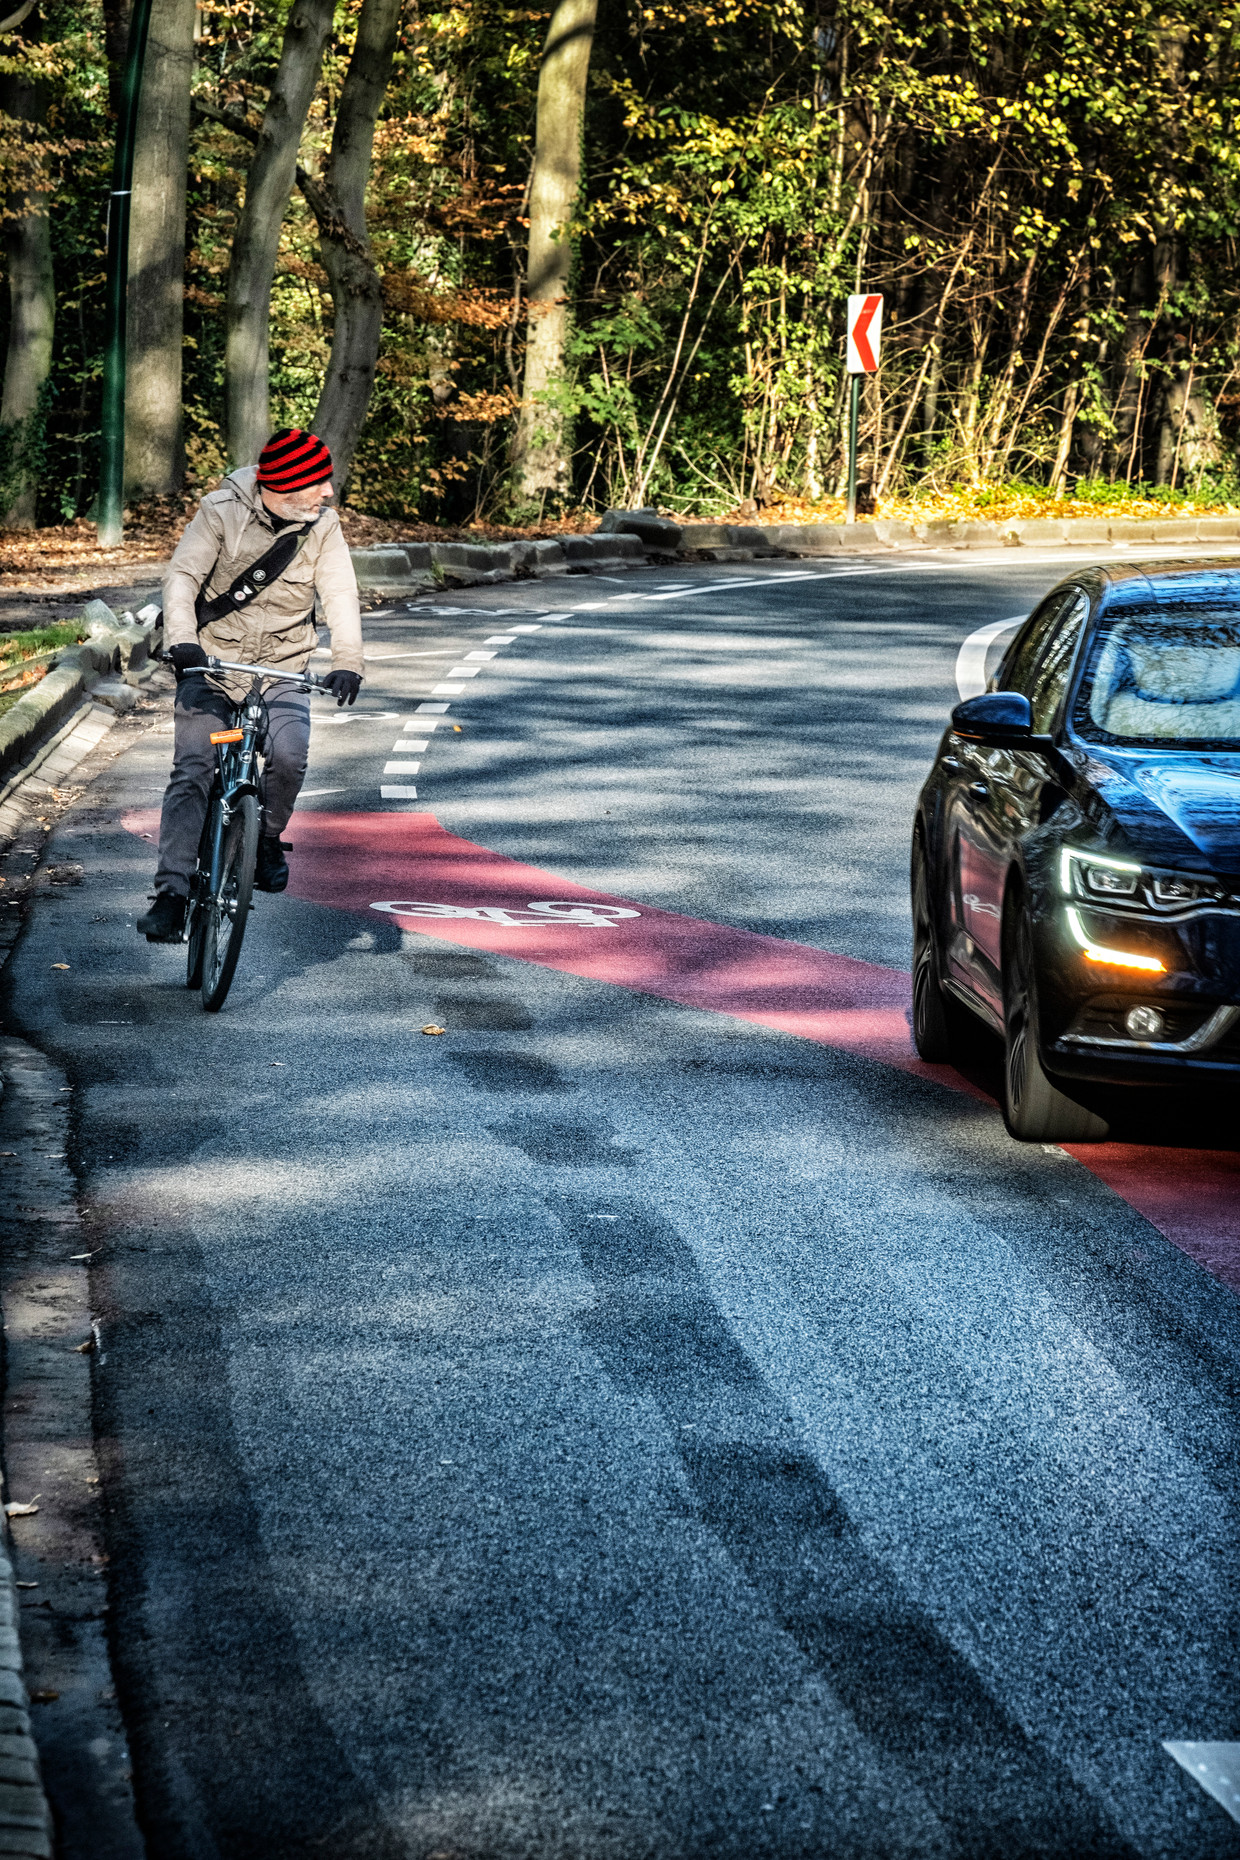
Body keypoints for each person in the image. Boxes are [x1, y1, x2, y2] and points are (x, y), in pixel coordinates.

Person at [137, 428, 364, 942]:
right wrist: (183, 641)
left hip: (282, 666)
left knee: (290, 754)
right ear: (286, 486)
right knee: (194, 767)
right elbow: (182, 578)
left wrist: (348, 661)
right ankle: (172, 895)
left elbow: (340, 594)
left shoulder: (323, 527)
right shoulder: (220, 512)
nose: (329, 492)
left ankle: (266, 837)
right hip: (211, 666)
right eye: (318, 483)